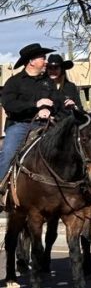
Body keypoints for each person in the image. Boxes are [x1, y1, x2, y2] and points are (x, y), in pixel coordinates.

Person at [0, 43, 57, 189]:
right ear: (31, 61)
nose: (46, 61)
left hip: (47, 125)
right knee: (7, 154)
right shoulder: (14, 82)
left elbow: (56, 100)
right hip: (20, 125)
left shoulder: (48, 82)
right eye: (43, 58)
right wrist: (36, 105)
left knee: (71, 146)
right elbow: (9, 104)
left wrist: (53, 110)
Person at [44, 53, 82, 119]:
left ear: (61, 69)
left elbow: (80, 108)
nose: (53, 71)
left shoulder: (71, 86)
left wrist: (74, 106)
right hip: (48, 122)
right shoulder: (43, 85)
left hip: (68, 122)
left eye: (56, 68)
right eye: (50, 68)